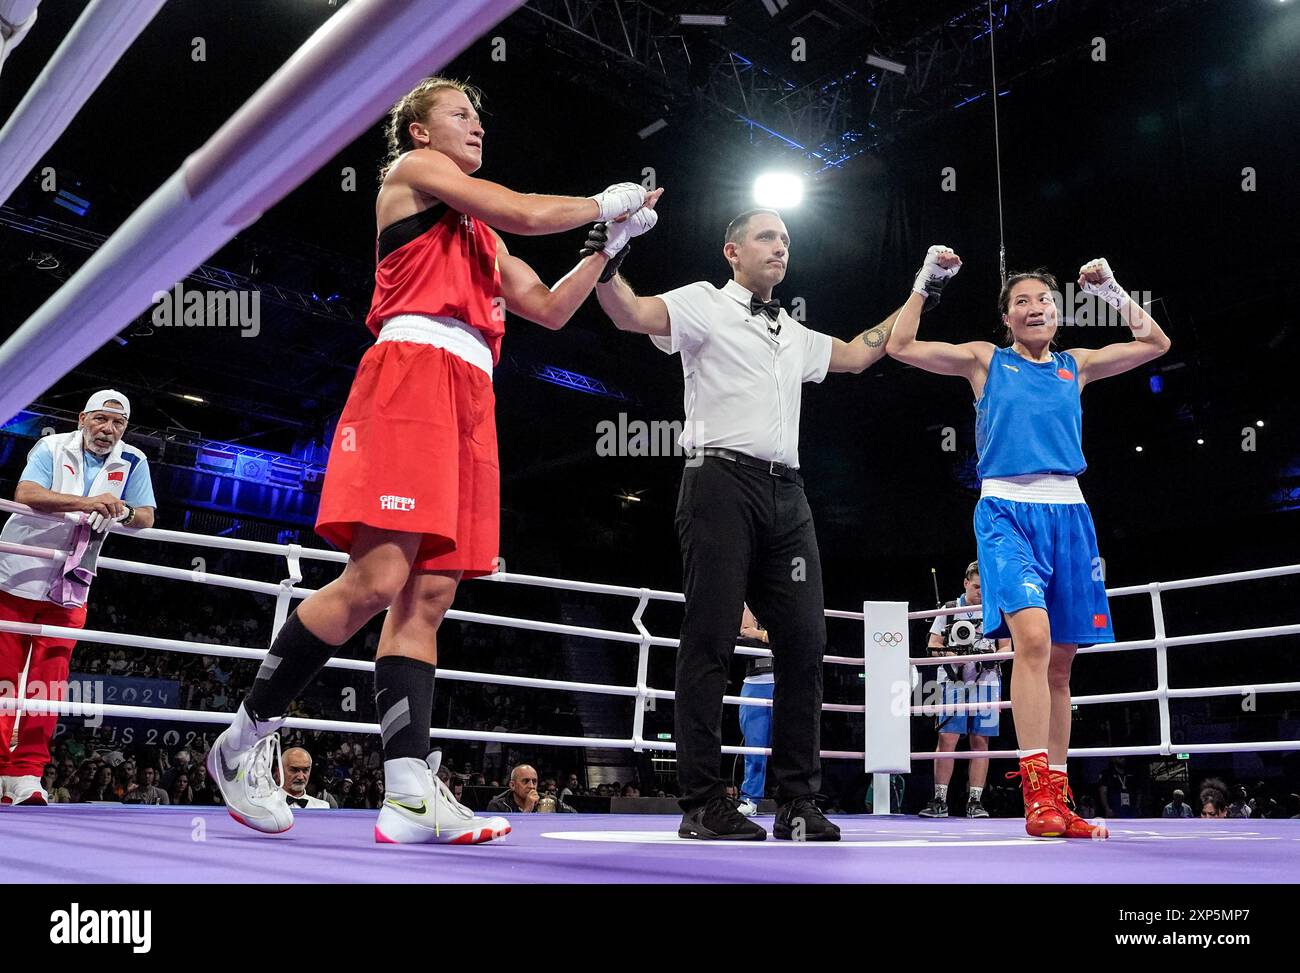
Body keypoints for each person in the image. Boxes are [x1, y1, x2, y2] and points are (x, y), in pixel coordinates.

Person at [207, 76, 662, 845]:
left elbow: (549, 307)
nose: (476, 126)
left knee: (428, 597)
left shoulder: (484, 238)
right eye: (460, 114)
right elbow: (523, 206)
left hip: (472, 395)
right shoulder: (410, 176)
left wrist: (607, 251)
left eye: (481, 117)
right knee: (378, 577)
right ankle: (243, 738)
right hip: (411, 373)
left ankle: (410, 792)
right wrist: (601, 202)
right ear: (419, 133)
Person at [597, 208, 919, 841]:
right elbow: (628, 313)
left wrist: (919, 288)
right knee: (711, 640)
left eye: (787, 240)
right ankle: (702, 803)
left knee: (805, 643)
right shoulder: (701, 305)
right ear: (732, 252)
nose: (782, 248)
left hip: (788, 492)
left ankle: (798, 802)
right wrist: (611, 249)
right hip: (718, 481)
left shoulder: (792, 331)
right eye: (768, 237)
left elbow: (858, 354)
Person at [887, 251, 1170, 838]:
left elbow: (1155, 344)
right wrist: (928, 282)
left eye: (1044, 299)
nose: (1034, 306)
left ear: (1059, 313)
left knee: (1062, 665)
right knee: (1033, 640)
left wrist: (1113, 289)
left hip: (1070, 513)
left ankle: (1060, 801)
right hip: (1004, 511)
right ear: (1007, 317)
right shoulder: (984, 361)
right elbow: (900, 344)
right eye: (1022, 301)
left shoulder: (1078, 365)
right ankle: (1035, 797)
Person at [0, 390, 157, 805]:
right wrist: (88, 502)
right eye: (101, 420)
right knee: (3, 677)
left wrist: (121, 511)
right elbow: (27, 494)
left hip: (73, 581)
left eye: (117, 423)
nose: (108, 430)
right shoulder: (51, 445)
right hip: (16, 573)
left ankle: (26, 774)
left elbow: (145, 516)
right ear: (83, 418)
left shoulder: (134, 460)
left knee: (47, 684)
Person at [920, 562, 1008, 819]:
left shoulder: (996, 609)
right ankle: (939, 800)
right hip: (951, 681)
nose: (981, 592)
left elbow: (1007, 647)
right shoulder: (949, 610)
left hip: (988, 681)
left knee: (981, 741)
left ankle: (976, 802)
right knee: (947, 739)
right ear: (966, 583)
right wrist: (952, 655)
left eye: (986, 587)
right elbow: (932, 644)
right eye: (977, 586)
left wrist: (991, 658)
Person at [735, 604, 772, 817]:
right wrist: (768, 636)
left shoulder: (788, 599)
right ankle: (750, 798)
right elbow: (745, 631)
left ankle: (794, 798)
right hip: (755, 681)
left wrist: (761, 635)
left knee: (792, 744)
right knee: (754, 745)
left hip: (786, 680)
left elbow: (790, 633)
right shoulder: (752, 601)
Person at [487, 764, 575, 813]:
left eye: (534, 781)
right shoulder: (497, 805)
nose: (532, 786)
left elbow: (576, 816)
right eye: (525, 781)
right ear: (512, 785)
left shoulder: (549, 800)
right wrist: (527, 809)